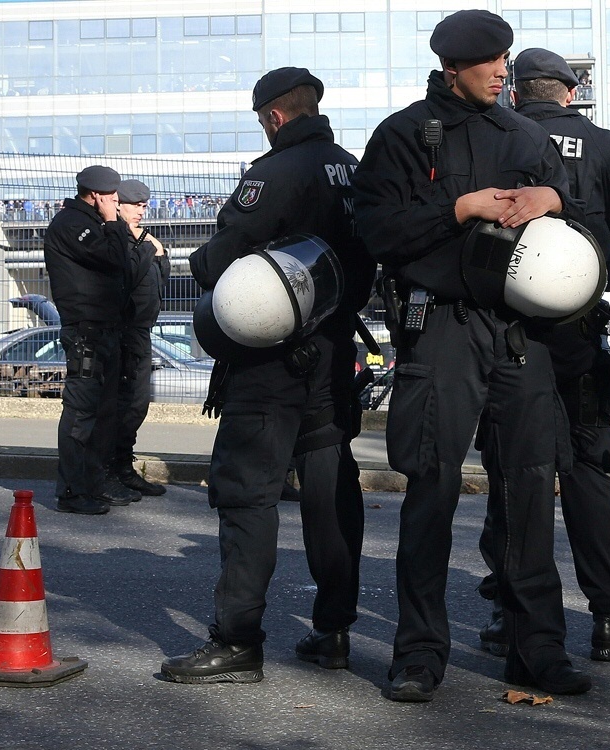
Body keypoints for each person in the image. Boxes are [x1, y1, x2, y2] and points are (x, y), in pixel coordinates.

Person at [353, 10, 591, 702]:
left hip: (521, 331)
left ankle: (536, 649)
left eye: (506, 59)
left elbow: (574, 224)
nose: (501, 71)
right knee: (432, 489)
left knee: (527, 492)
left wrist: (553, 197)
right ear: (451, 66)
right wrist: (458, 209)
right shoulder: (401, 136)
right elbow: (377, 231)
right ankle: (420, 652)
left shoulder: (524, 133)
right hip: (443, 330)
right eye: (489, 62)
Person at [160, 67, 375, 684]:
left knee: (246, 492)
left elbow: (219, 264)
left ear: (274, 117)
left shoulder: (272, 173)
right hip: (333, 352)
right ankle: (333, 631)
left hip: (270, 360)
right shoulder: (351, 168)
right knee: (331, 493)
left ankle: (236, 641)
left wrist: (200, 259)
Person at [476, 47, 610, 663]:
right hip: (579, 330)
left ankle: (508, 611)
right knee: (586, 472)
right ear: (570, 93)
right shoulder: (607, 146)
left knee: (511, 472)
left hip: (508, 331)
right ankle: (608, 617)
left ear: (515, 92)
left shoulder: (495, 139)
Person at [44, 165, 139, 515]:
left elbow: (124, 268)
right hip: (86, 331)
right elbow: (115, 258)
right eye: (113, 198)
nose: (117, 203)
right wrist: (115, 223)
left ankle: (93, 485)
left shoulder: (94, 225)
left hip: (105, 330)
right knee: (82, 413)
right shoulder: (73, 225)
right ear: (97, 196)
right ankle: (71, 490)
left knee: (104, 413)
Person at [108, 179, 169, 497]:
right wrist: (148, 245)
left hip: (140, 331)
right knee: (125, 404)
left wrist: (155, 250)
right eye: (136, 205)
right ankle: (113, 470)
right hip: (124, 331)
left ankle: (122, 467)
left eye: (145, 206)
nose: (142, 212)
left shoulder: (140, 239)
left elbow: (162, 278)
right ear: (118, 203)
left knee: (137, 404)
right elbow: (128, 276)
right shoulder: (117, 237)